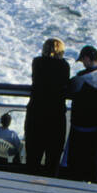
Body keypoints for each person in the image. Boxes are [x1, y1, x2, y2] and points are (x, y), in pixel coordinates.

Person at [25, 38, 70, 175]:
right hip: (55, 117)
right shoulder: (64, 66)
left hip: (36, 114)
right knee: (53, 159)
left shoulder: (37, 62)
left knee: (33, 158)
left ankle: (29, 189)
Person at [65, 46, 97, 182]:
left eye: (82, 60)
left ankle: (75, 183)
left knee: (76, 159)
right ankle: (91, 182)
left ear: (86, 58)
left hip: (80, 124)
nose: (82, 63)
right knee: (93, 158)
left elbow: (70, 90)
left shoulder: (80, 78)